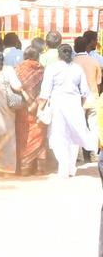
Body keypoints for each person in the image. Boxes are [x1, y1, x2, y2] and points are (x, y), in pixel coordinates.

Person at [36, 44, 96, 177]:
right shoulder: (77, 69)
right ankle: (71, 168)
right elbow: (85, 91)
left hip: (58, 105)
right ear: (71, 54)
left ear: (58, 55)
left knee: (58, 136)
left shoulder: (52, 68)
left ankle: (63, 167)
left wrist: (39, 109)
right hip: (74, 105)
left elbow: (45, 92)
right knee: (74, 137)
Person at [14, 47, 47, 176]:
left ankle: (25, 169)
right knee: (39, 137)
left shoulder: (18, 69)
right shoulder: (42, 70)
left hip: (23, 108)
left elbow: (15, 88)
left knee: (24, 137)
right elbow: (45, 88)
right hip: (39, 107)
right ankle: (40, 169)